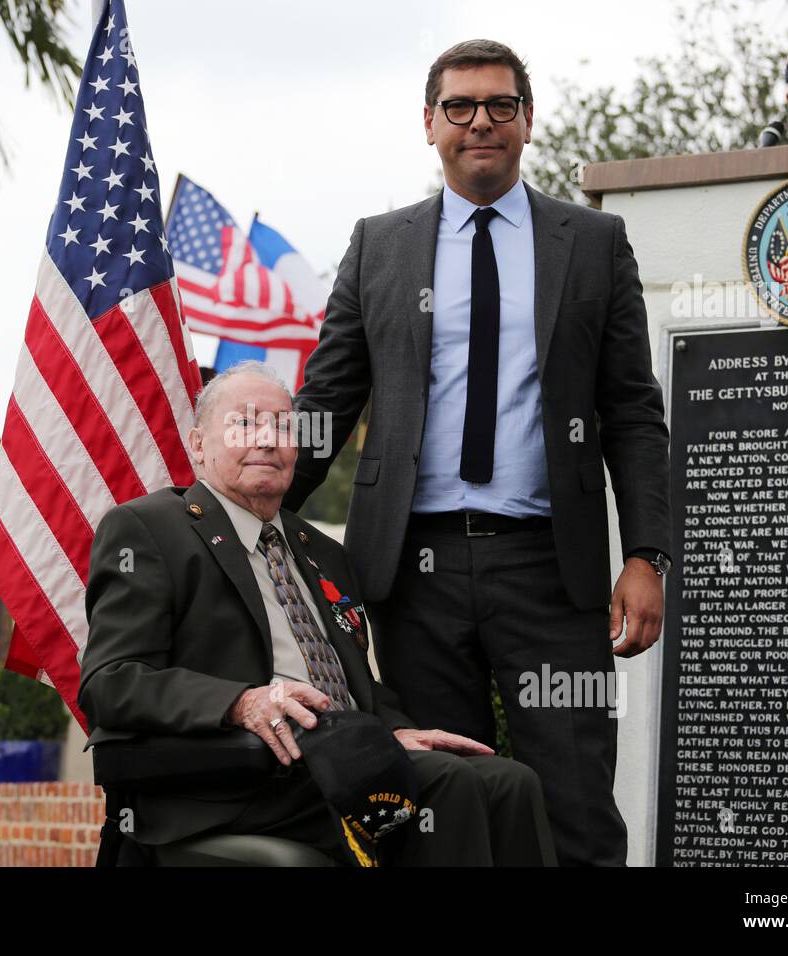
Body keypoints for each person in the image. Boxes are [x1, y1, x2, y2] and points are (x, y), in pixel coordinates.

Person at [282, 39, 673, 866]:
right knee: (435, 804)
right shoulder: (378, 245)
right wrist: (252, 510)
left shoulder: (594, 242)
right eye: (459, 107)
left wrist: (646, 556)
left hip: (550, 572)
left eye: (500, 105)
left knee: (575, 806)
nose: (480, 122)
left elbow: (634, 412)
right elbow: (328, 400)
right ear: (430, 125)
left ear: (527, 121)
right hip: (410, 574)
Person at [79, 362, 556, 866]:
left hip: (346, 757)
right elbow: (110, 680)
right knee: (448, 786)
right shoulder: (150, 529)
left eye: (283, 426)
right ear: (198, 445)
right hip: (240, 775)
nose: (268, 439)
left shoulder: (321, 550)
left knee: (510, 782)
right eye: (245, 423)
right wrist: (242, 702)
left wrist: (393, 730)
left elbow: (358, 688)